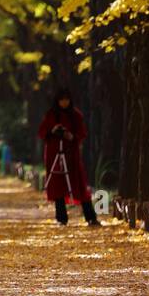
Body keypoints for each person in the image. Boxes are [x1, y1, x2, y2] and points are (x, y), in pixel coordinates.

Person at [38, 87, 100, 227]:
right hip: (54, 154)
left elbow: (82, 133)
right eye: (62, 100)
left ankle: (90, 217)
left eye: (66, 99)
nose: (64, 103)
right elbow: (42, 132)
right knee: (58, 187)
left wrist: (72, 136)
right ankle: (61, 218)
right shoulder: (51, 114)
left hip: (71, 154)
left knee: (79, 184)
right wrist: (52, 131)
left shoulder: (75, 115)